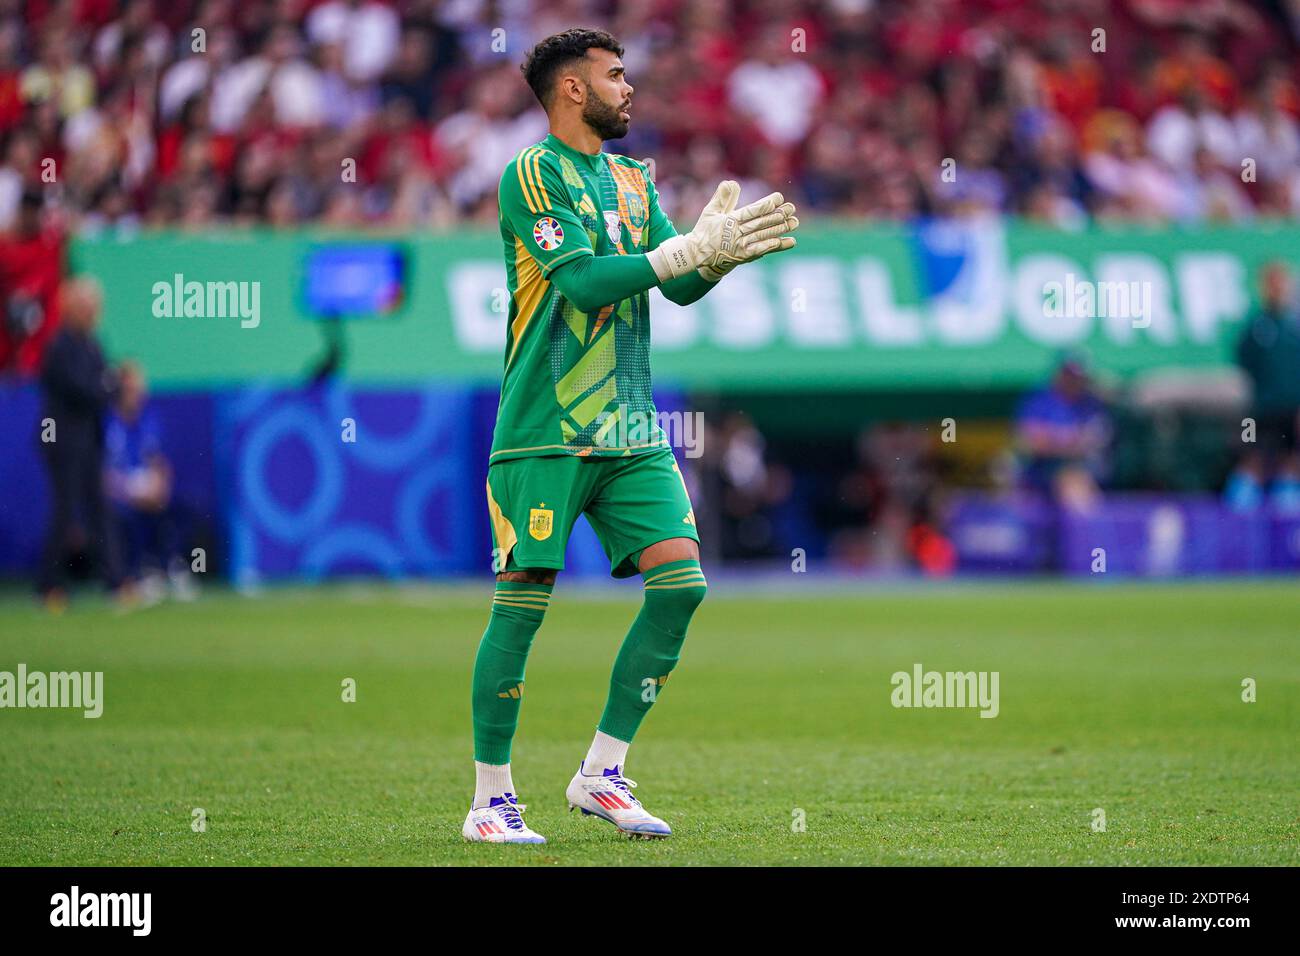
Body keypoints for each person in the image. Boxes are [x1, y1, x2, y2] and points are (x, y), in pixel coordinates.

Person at [463, 28, 799, 844]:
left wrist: (712, 259)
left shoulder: (631, 177)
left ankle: (600, 774)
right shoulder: (531, 174)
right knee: (523, 609)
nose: (629, 88)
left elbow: (673, 288)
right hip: (544, 428)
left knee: (682, 586)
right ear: (573, 89)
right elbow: (579, 280)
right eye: (616, 76)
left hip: (630, 428)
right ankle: (489, 801)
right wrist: (679, 251)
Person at [35, 276, 123, 608]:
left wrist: (107, 387)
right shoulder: (60, 345)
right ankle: (49, 586)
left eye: (94, 305)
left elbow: (106, 386)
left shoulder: (92, 344)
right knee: (65, 512)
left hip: (88, 441)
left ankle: (116, 581)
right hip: (62, 442)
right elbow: (84, 390)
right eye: (84, 304)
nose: (90, 311)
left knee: (100, 510)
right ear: (70, 306)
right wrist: (106, 388)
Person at [104, 361, 196, 602]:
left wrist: (160, 485)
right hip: (119, 494)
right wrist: (129, 491)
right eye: (131, 388)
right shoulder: (105, 422)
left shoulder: (149, 419)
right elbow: (100, 473)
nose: (137, 394)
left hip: (147, 492)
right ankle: (138, 573)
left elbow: (158, 461)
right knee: (125, 516)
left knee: (183, 507)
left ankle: (168, 565)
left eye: (139, 388)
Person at [1226, 261, 1300, 510]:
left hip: (1292, 410)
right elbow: (1244, 361)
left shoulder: (1294, 327)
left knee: (1291, 458)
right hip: (1260, 410)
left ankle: (1286, 507)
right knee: (1252, 454)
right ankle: (1239, 506)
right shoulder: (1256, 326)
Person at [1014, 355, 1111, 513]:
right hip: (1038, 472)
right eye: (1068, 375)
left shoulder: (1091, 404)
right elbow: (1030, 442)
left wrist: (1054, 439)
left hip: (1081, 471)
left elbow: (1094, 441)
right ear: (1059, 374)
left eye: (1077, 377)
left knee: (1076, 483)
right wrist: (1069, 442)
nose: (1072, 381)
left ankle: (1084, 534)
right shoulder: (1039, 400)